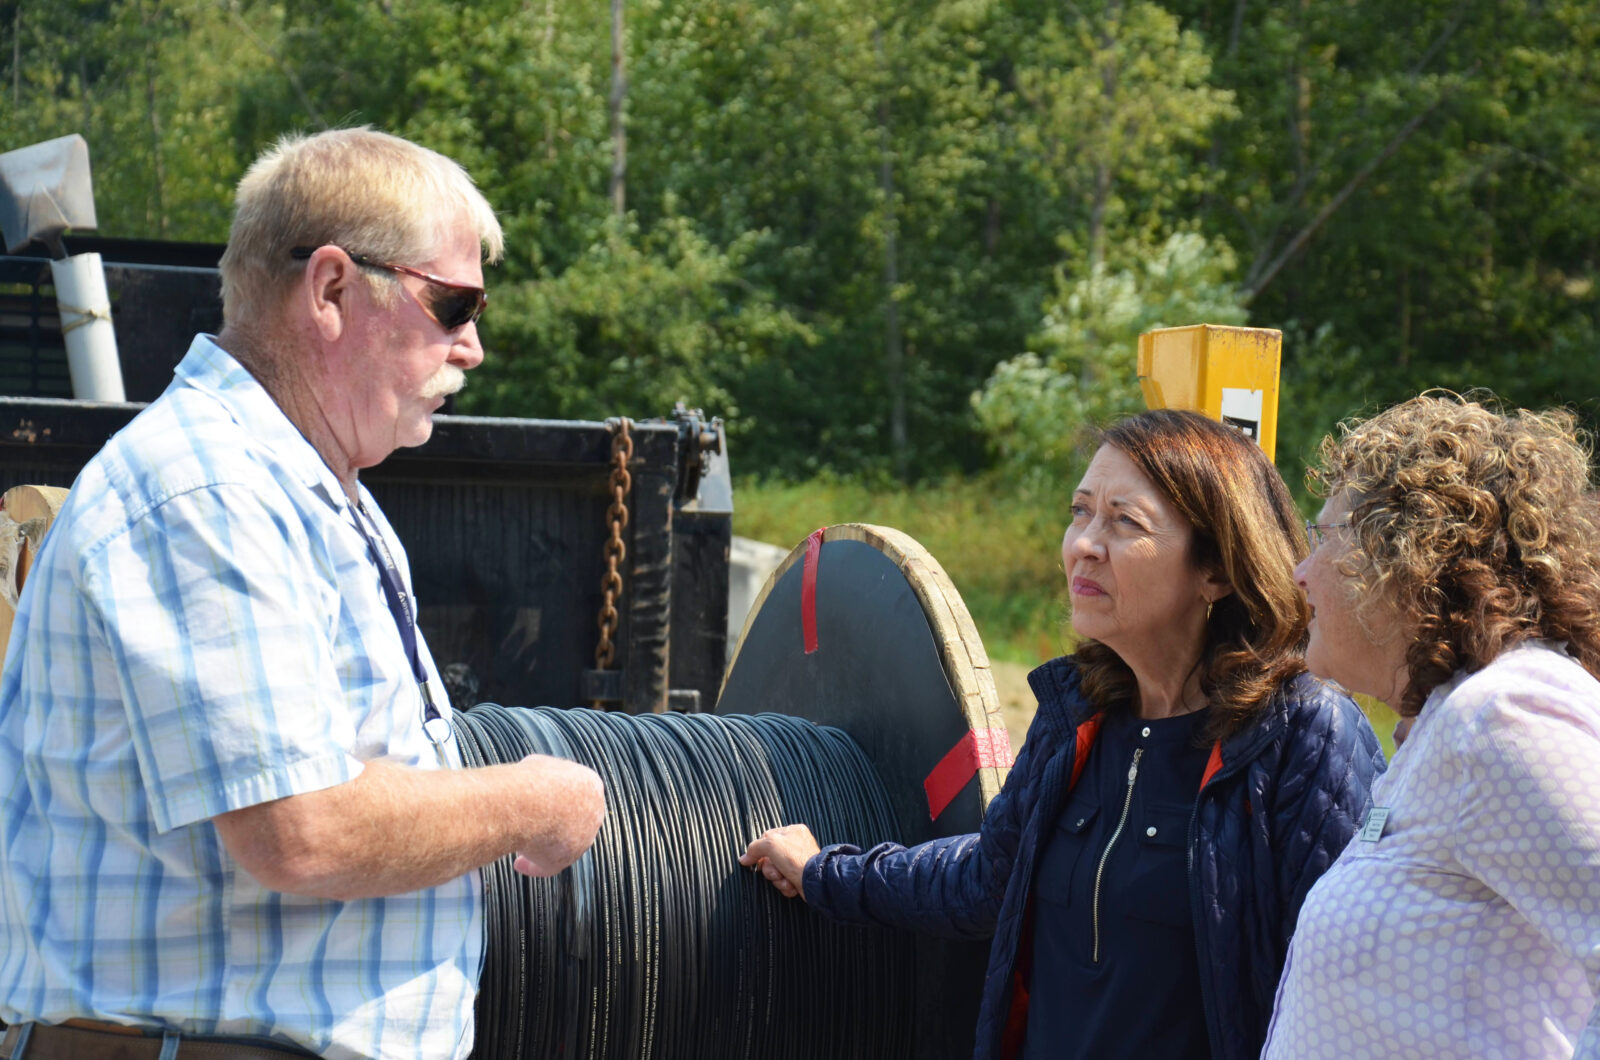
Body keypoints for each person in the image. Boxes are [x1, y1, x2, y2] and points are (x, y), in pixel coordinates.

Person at [0, 128, 605, 1060]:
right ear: (330, 290)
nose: (474, 346)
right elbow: (301, 828)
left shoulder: (295, 489)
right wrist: (532, 800)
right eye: (453, 304)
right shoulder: (210, 493)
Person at [742, 409, 1386, 1060]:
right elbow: (989, 878)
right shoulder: (1077, 713)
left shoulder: (1304, 734)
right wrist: (827, 873)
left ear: (1216, 570)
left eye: (1124, 521)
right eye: (1081, 512)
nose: (1084, 543)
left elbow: (1350, 993)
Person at [1262, 394, 1600, 1059]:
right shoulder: (1452, 723)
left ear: (1409, 558)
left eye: (1326, 535)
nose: (1300, 573)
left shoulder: (1502, 716)